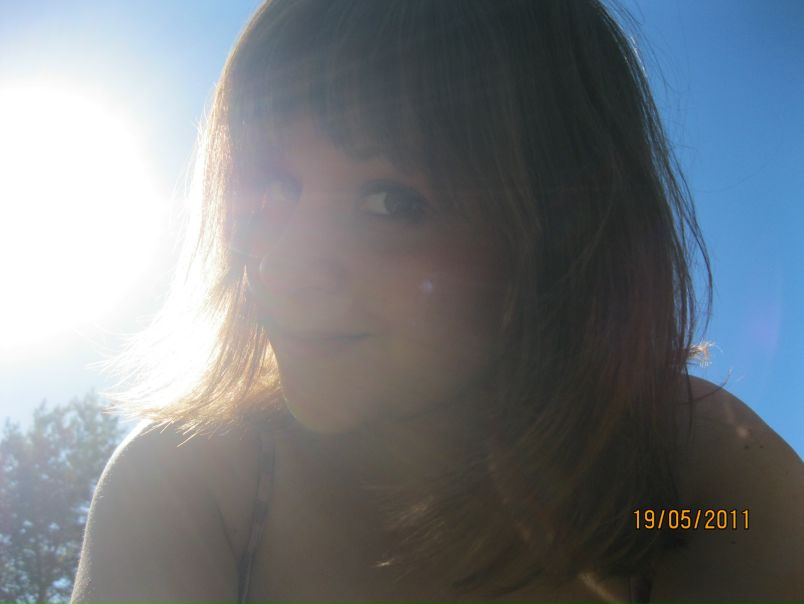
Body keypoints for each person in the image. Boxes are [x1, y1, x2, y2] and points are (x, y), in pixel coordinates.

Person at [71, 1, 803, 602]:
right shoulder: (195, 483)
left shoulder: (696, 491)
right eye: (273, 185)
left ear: (562, 242)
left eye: (394, 202)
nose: (281, 266)